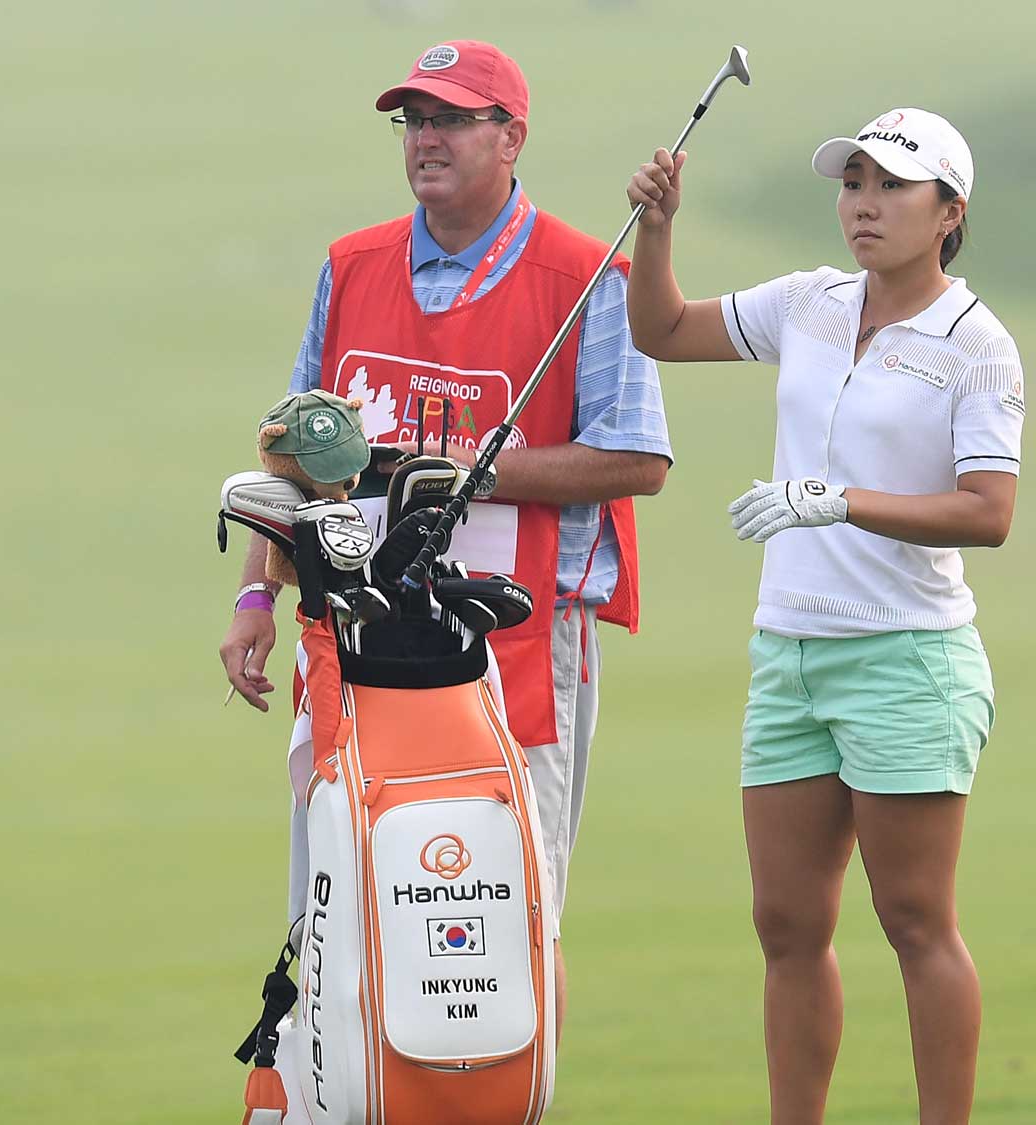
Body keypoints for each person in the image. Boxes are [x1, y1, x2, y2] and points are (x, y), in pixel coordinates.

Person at [216, 39, 672, 1022]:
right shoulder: (352, 266)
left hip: (516, 646)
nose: (425, 139)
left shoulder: (587, 276)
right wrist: (256, 590)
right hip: (350, 635)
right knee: (341, 906)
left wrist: (473, 472)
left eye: (452, 120)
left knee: (510, 914)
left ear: (511, 137)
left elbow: (638, 458)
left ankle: (504, 1087)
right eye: (413, 121)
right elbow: (293, 447)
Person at [624, 108, 1022, 1123]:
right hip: (790, 651)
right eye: (852, 184)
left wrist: (838, 502)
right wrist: (657, 231)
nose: (862, 205)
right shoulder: (809, 303)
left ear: (949, 213)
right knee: (786, 924)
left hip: (906, 657)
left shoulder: (975, 345)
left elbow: (987, 512)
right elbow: (661, 331)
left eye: (890, 186)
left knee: (914, 920)